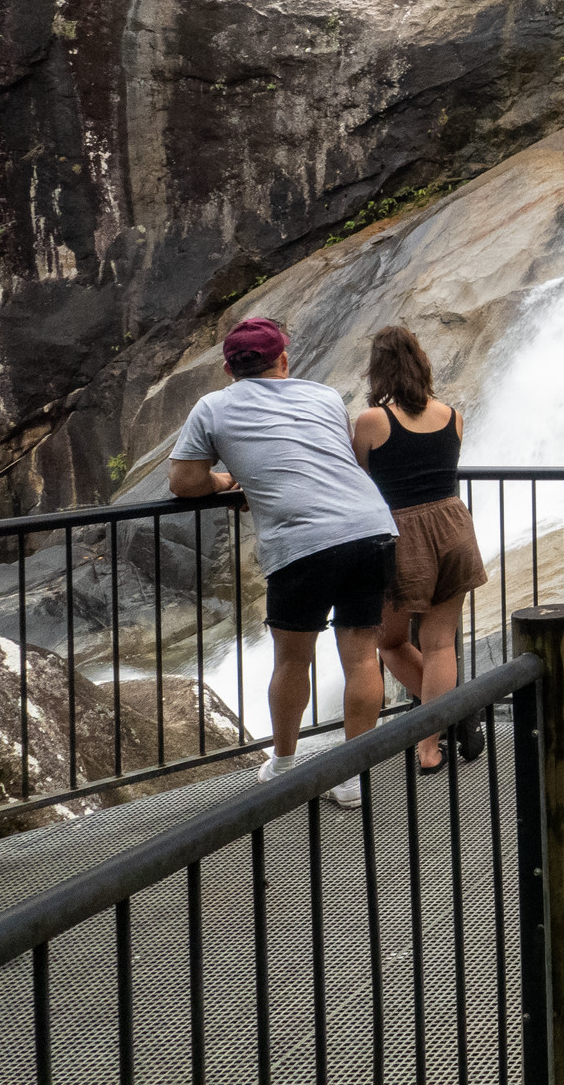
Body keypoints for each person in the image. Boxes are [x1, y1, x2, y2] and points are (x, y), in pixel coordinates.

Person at [167, 317, 396, 808]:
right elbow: (326, 459)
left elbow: (184, 482)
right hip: (370, 525)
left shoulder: (213, 407)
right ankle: (352, 775)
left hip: (302, 540)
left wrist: (228, 483)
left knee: (293, 658)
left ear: (230, 369)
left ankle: (286, 764)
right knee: (360, 655)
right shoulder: (324, 396)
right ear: (284, 361)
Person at [351, 326, 490, 774]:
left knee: (389, 643)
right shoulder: (453, 415)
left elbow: (359, 480)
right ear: (421, 363)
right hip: (453, 526)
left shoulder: (373, 422)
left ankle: (439, 726)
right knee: (438, 646)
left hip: (401, 533)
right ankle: (439, 727)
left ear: (379, 370)